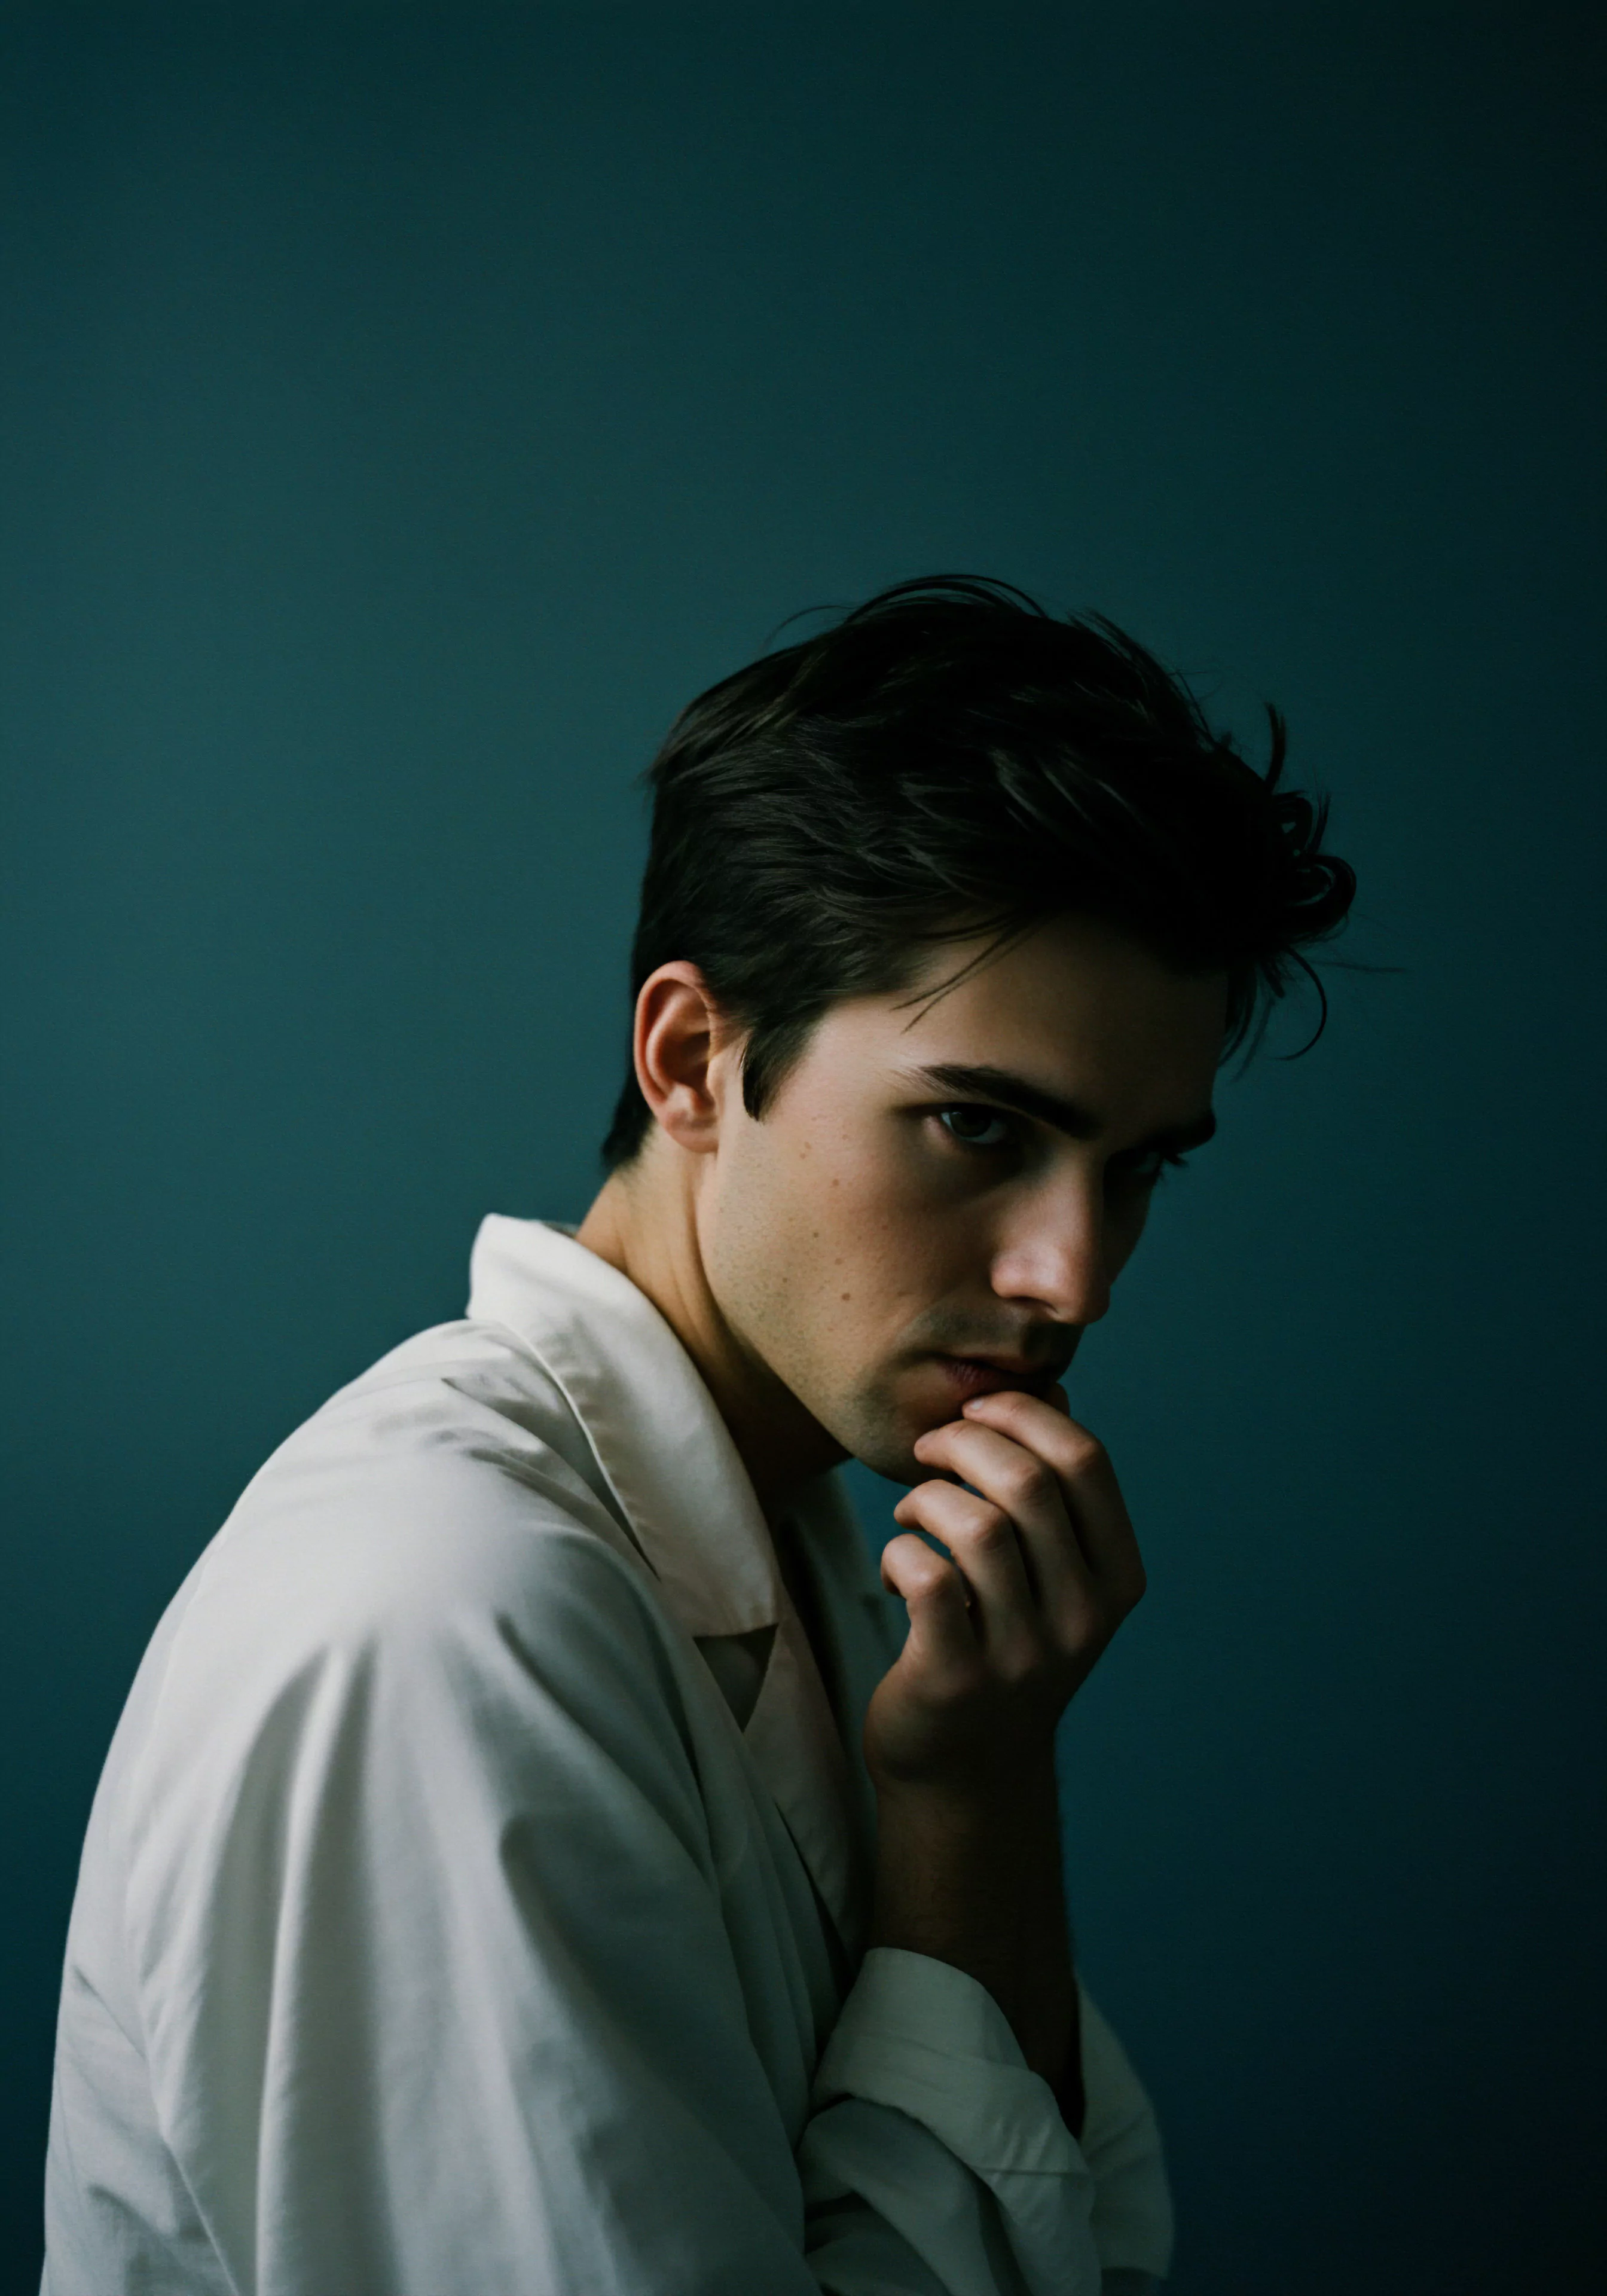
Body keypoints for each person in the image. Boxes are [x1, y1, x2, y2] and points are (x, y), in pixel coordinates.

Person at [41, 577, 1355, 2295]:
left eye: (1137, 1169)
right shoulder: (445, 1618)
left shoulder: (812, 1541)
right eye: (976, 1126)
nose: (1073, 1278)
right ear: (690, 1056)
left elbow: (1064, 2246)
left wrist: (975, 1789)